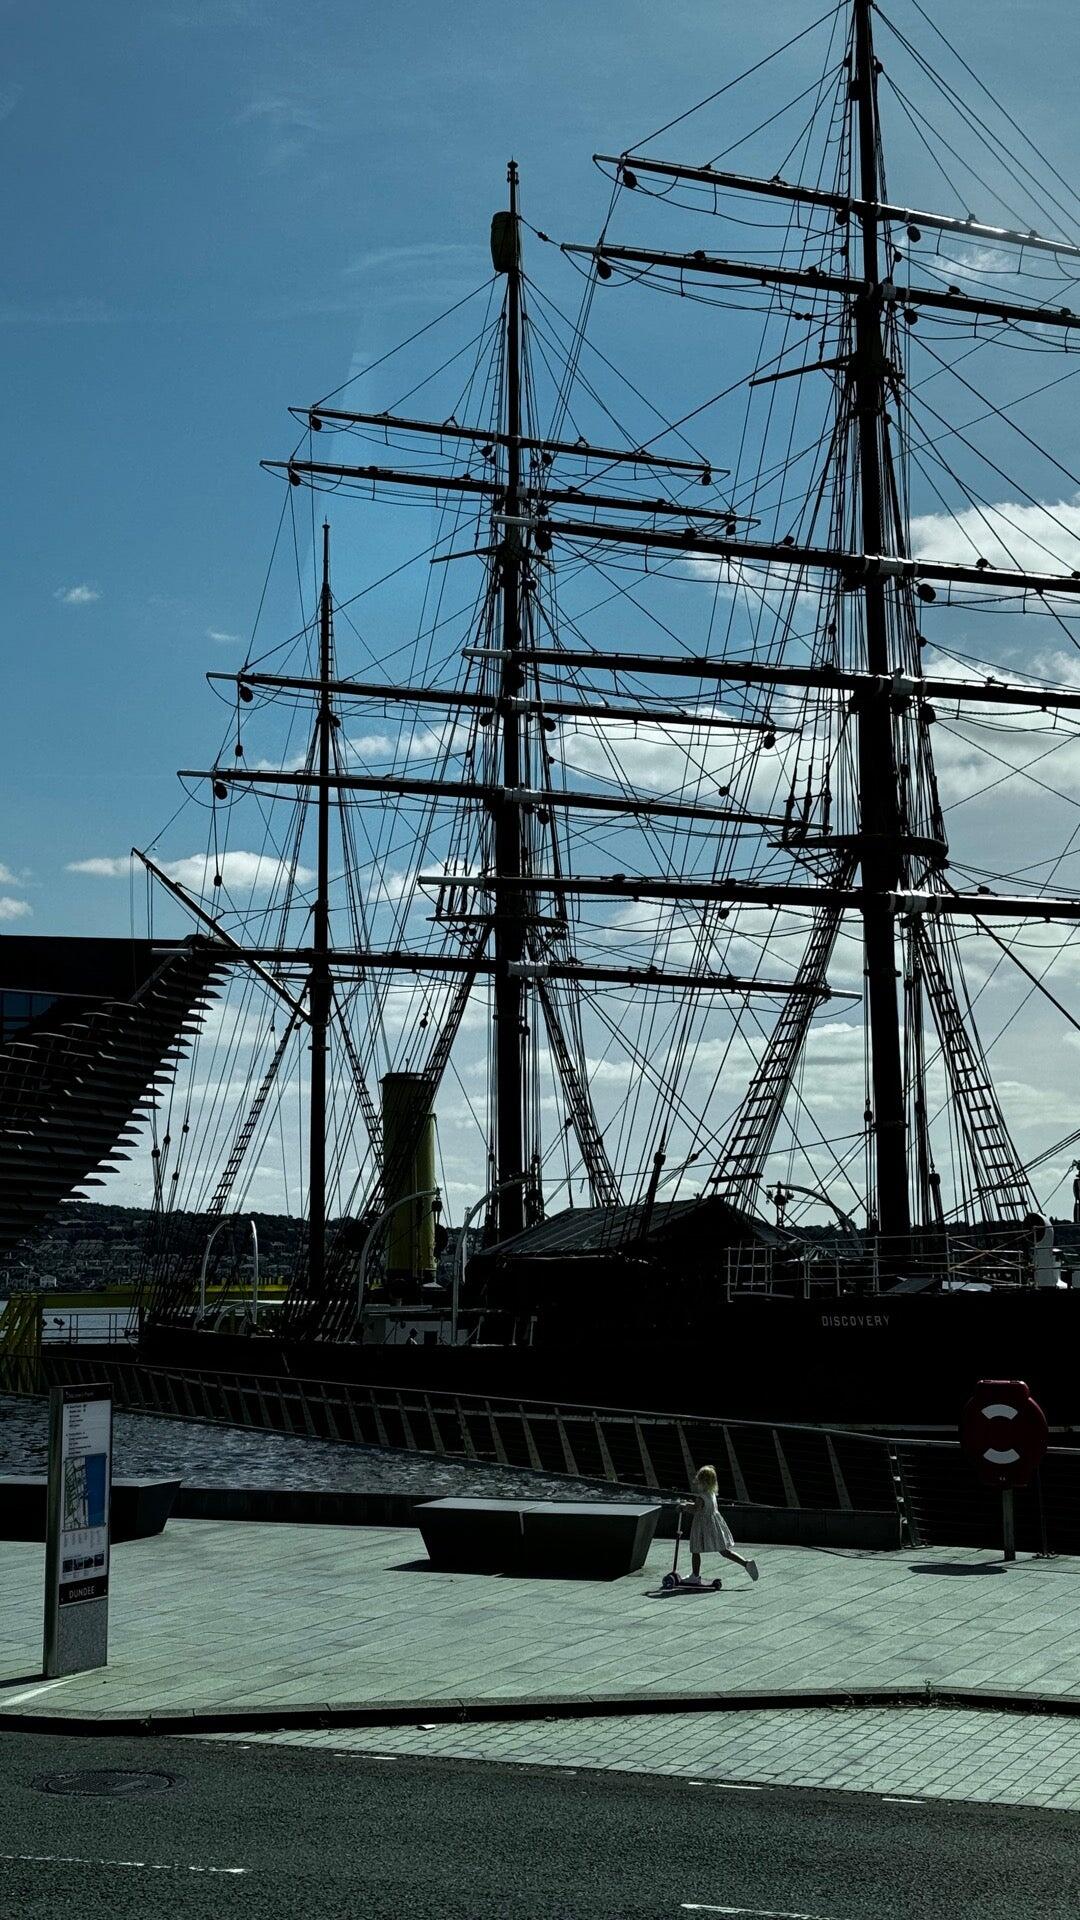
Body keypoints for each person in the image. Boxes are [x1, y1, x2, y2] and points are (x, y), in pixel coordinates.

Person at [685, 1463, 759, 1586]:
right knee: (724, 1551)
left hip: (702, 1528)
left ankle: (695, 1576)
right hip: (715, 1527)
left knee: (695, 1550)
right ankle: (746, 1563)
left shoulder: (701, 1497)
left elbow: (695, 1509)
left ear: (702, 1481)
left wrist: (684, 1507)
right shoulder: (711, 1495)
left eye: (698, 1480)